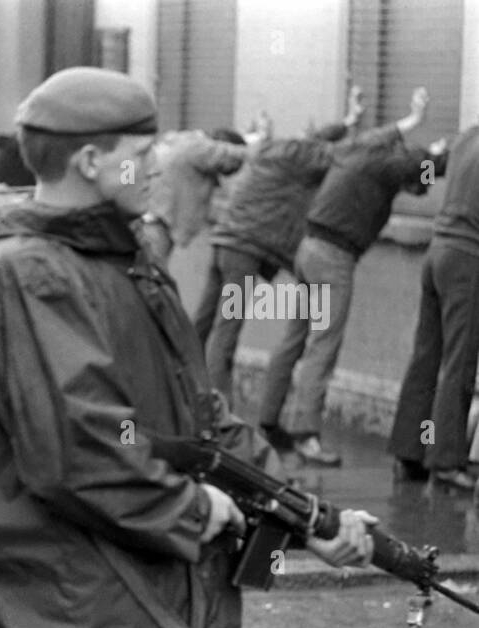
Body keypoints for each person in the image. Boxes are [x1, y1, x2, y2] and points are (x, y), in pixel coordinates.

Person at [0, 66, 375, 628]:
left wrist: (313, 520)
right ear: (93, 163)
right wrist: (198, 514)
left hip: (154, 613)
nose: (168, 171)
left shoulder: (124, 260)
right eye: (148, 153)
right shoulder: (24, 274)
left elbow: (201, 424)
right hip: (85, 617)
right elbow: (76, 456)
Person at [198, 85, 424, 402]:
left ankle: (186, 399)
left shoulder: (281, 149)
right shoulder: (305, 158)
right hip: (245, 253)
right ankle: (216, 414)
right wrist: (407, 123)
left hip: (224, 244)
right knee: (227, 331)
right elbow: (355, 149)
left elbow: (337, 143)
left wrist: (348, 119)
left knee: (205, 323)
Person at [257, 87, 445, 467]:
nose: (413, 189)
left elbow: (389, 138)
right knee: (323, 344)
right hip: (332, 261)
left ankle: (267, 419)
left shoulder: (360, 148)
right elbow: (425, 168)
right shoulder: (395, 165)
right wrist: (439, 155)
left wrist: (413, 120)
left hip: (308, 251)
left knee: (295, 338)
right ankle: (306, 436)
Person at [387, 118, 479, 490]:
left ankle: (411, 451)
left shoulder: (468, 136)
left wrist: (420, 179)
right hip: (468, 260)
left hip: (437, 252)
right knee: (459, 363)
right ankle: (445, 460)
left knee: (426, 358)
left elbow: (430, 166)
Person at [138, 127, 249, 266]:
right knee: (151, 273)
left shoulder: (183, 142)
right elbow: (228, 154)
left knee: (149, 270)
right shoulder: (199, 147)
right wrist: (262, 148)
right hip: (156, 222)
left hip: (152, 215)